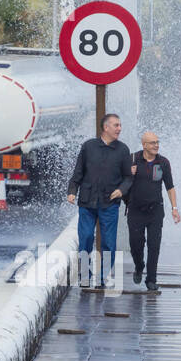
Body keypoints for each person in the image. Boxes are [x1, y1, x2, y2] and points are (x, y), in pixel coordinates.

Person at [67, 113, 133, 288]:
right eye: (116, 125)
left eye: (120, 125)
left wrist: (121, 190)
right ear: (106, 128)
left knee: (108, 243)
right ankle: (85, 276)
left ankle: (104, 278)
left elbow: (128, 177)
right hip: (87, 201)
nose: (119, 128)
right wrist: (72, 191)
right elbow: (78, 173)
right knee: (86, 238)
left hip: (109, 203)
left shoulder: (123, 150)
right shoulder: (89, 147)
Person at [126, 131, 180, 291]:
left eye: (157, 142)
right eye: (152, 143)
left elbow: (170, 187)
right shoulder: (133, 159)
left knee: (154, 245)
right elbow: (120, 179)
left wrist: (174, 208)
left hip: (155, 210)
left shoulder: (163, 163)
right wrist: (129, 172)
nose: (156, 145)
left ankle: (151, 279)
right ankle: (139, 265)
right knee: (136, 244)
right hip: (135, 210)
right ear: (144, 145)